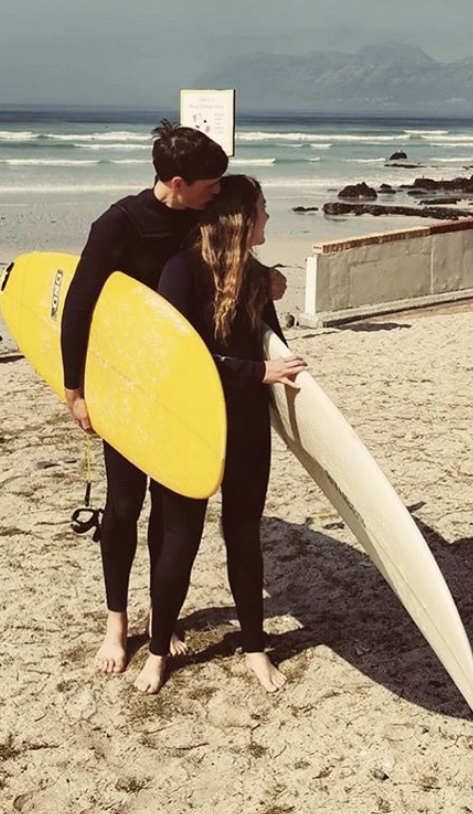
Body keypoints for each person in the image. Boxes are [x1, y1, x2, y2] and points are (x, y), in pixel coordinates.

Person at [60, 120, 231, 675]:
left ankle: (165, 615)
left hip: (180, 384)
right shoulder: (120, 223)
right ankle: (116, 623)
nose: (218, 191)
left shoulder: (201, 216)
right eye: (210, 182)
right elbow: (79, 306)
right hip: (124, 385)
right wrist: (75, 391)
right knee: (125, 505)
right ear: (177, 181)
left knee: (170, 506)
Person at [136, 175, 307, 695]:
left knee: (243, 537)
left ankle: (255, 648)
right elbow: (174, 356)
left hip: (247, 426)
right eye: (262, 209)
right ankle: (158, 649)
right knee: (179, 542)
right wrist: (256, 374)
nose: (268, 220)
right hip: (189, 423)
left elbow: (269, 345)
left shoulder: (255, 279)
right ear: (240, 219)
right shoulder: (182, 271)